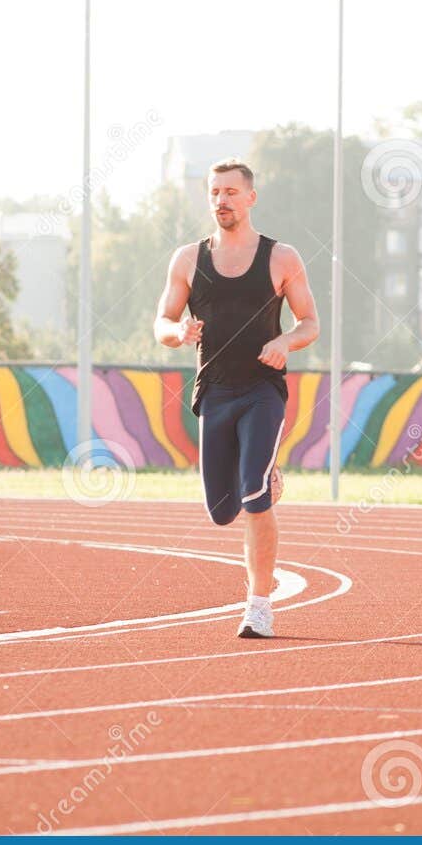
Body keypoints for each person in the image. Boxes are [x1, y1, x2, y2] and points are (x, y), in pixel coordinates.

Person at [154, 159, 319, 637]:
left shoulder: (280, 257)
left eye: (230, 192)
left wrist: (285, 342)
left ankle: (259, 606)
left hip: (262, 390)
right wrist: (178, 331)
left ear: (250, 198)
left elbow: (310, 322)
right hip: (216, 391)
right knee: (222, 509)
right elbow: (161, 323)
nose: (221, 200)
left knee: (253, 495)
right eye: (214, 193)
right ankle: (265, 476)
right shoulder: (188, 259)